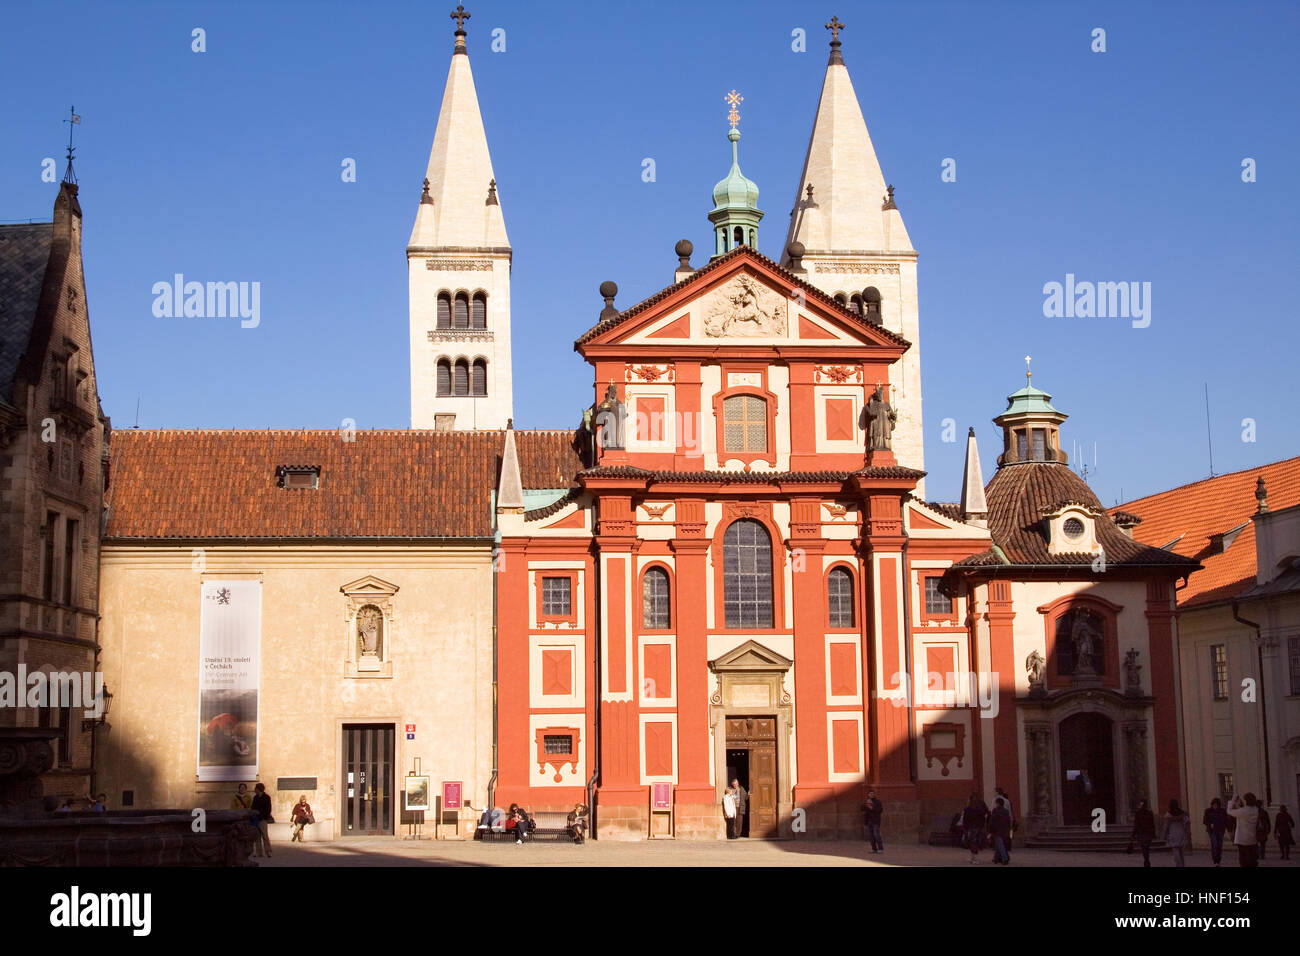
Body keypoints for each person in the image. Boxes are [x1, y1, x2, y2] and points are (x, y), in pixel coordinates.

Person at [1227, 793, 1260, 867]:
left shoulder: (1243, 811)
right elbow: (1242, 811)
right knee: (1252, 860)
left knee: (1244, 861)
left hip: (1242, 840)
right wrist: (1237, 805)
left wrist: (1232, 800)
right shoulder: (1255, 810)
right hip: (1252, 839)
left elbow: (1229, 811)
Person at [961, 793, 988, 863]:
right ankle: (973, 857)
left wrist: (964, 827)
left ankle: (975, 858)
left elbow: (965, 819)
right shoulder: (979, 809)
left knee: (972, 843)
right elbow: (983, 817)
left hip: (971, 827)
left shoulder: (967, 809)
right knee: (975, 842)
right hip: (978, 827)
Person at [1164, 799, 1190, 867]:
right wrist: (1186, 831)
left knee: (1176, 851)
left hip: (1173, 834)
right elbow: (1187, 822)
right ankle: (1182, 865)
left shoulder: (1168, 814)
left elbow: (1166, 826)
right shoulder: (1182, 813)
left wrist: (1165, 835)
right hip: (1181, 833)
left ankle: (1179, 865)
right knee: (1181, 852)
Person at [1203, 798, 1228, 866]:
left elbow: (1226, 820)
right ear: (1212, 804)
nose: (1215, 806)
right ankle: (1215, 860)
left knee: (1219, 845)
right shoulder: (1208, 811)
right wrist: (1210, 824)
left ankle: (1218, 859)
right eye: (1214, 805)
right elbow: (1205, 821)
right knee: (1214, 845)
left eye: (1217, 805)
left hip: (1220, 830)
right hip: (1212, 831)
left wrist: (1226, 827)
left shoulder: (1222, 811)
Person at [250, 782, 273, 858]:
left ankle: (268, 851)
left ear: (259, 789)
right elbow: (253, 807)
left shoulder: (267, 797)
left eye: (255, 789)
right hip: (256, 819)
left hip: (262, 819)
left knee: (265, 836)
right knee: (257, 836)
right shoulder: (255, 797)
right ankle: (258, 852)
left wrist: (263, 816)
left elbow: (268, 809)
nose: (254, 790)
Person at [1131, 799, 1156, 867]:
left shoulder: (1138, 813)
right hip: (1148, 833)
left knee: (1144, 848)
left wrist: (1133, 834)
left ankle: (1146, 860)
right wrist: (1153, 833)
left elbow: (1136, 825)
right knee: (1146, 847)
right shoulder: (1149, 813)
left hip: (1141, 833)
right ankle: (1147, 859)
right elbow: (1152, 824)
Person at [989, 797, 1013, 865]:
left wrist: (990, 830)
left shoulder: (995, 810)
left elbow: (992, 821)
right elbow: (1008, 821)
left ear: (998, 803)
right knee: (998, 844)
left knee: (1000, 844)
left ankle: (1005, 858)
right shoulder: (1006, 811)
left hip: (997, 830)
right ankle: (996, 858)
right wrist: (1009, 829)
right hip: (1005, 830)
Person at [861, 788, 884, 853]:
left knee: (876, 834)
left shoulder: (878, 802)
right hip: (869, 821)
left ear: (874, 794)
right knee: (871, 836)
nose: (871, 795)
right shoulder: (867, 801)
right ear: (868, 795)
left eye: (872, 794)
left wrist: (872, 807)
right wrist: (865, 804)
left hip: (876, 821)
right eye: (870, 794)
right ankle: (874, 849)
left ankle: (880, 848)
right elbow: (862, 809)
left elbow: (880, 811)